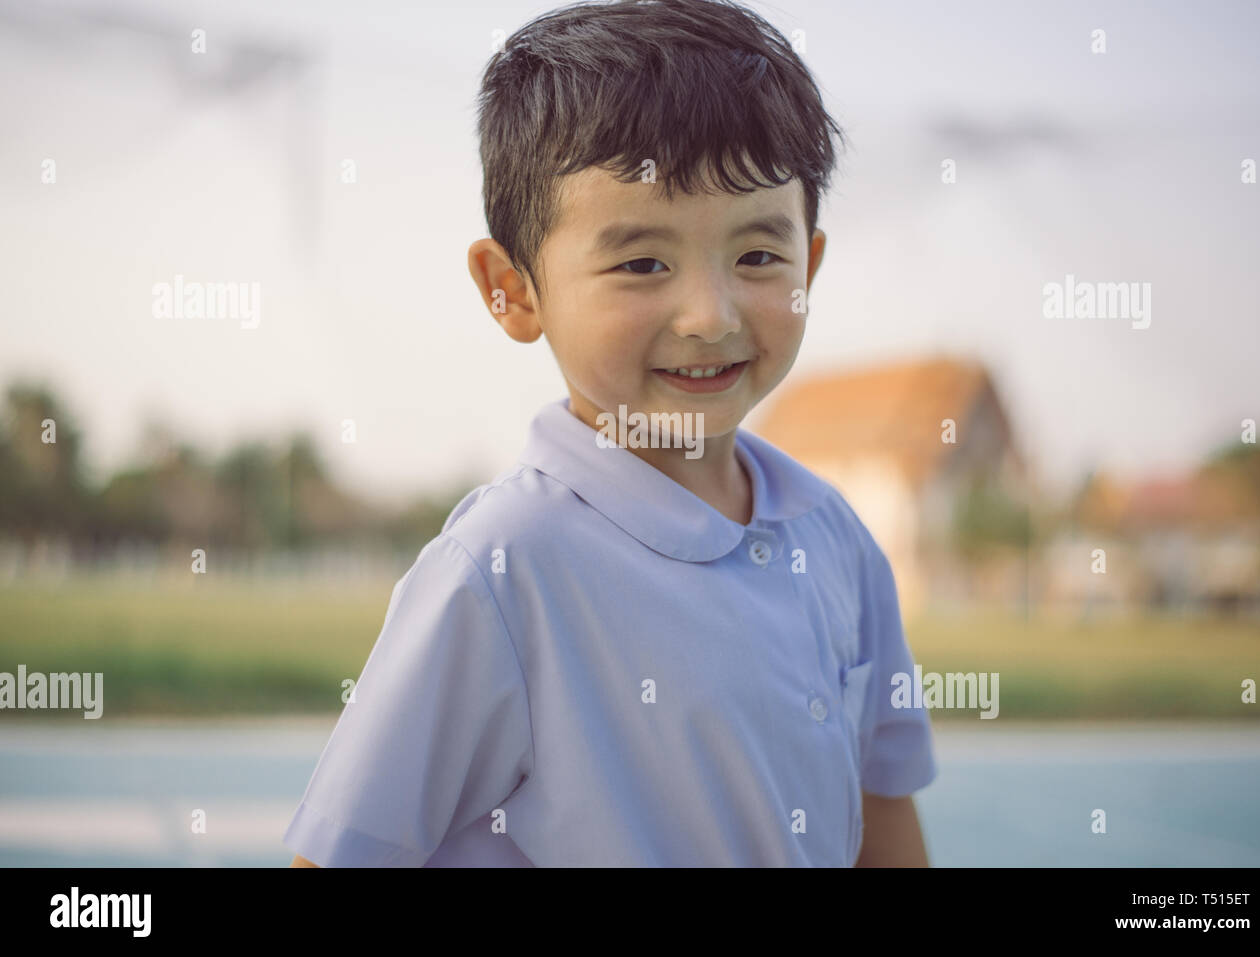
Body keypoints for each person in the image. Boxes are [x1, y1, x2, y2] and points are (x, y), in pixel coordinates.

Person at [285, 0, 936, 867]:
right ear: (512, 288)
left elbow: (881, 815)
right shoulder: (501, 569)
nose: (710, 316)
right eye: (641, 263)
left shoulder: (841, 542)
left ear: (809, 265)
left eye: (757, 256)